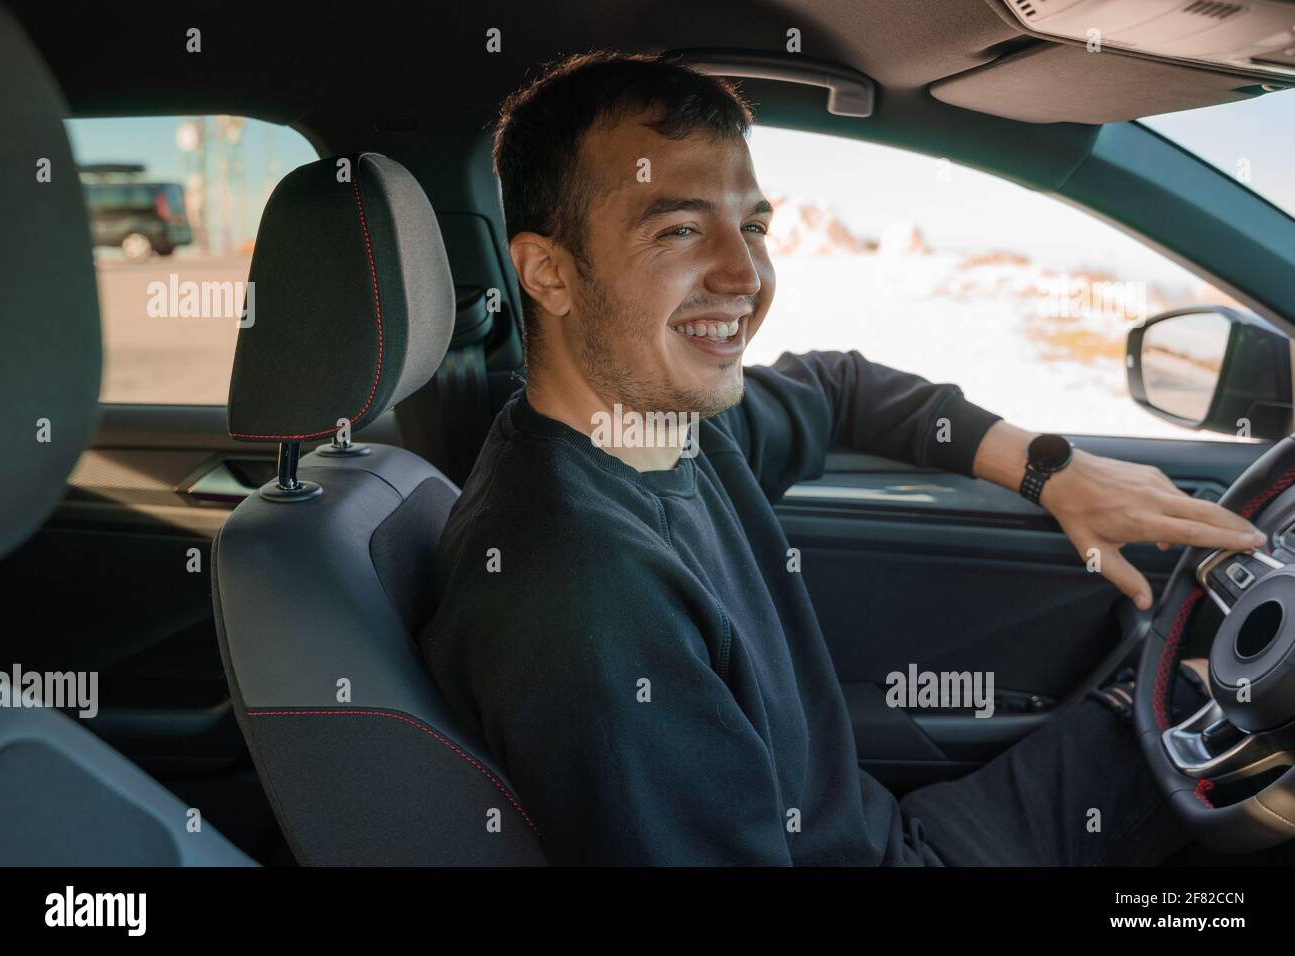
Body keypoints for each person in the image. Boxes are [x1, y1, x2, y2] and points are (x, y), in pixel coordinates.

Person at [419, 51, 1261, 865]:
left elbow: (841, 386)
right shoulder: (585, 592)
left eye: (751, 226)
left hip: (894, 834)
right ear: (549, 273)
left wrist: (1051, 470)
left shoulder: (663, 428)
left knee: (1195, 702)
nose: (743, 274)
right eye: (678, 228)